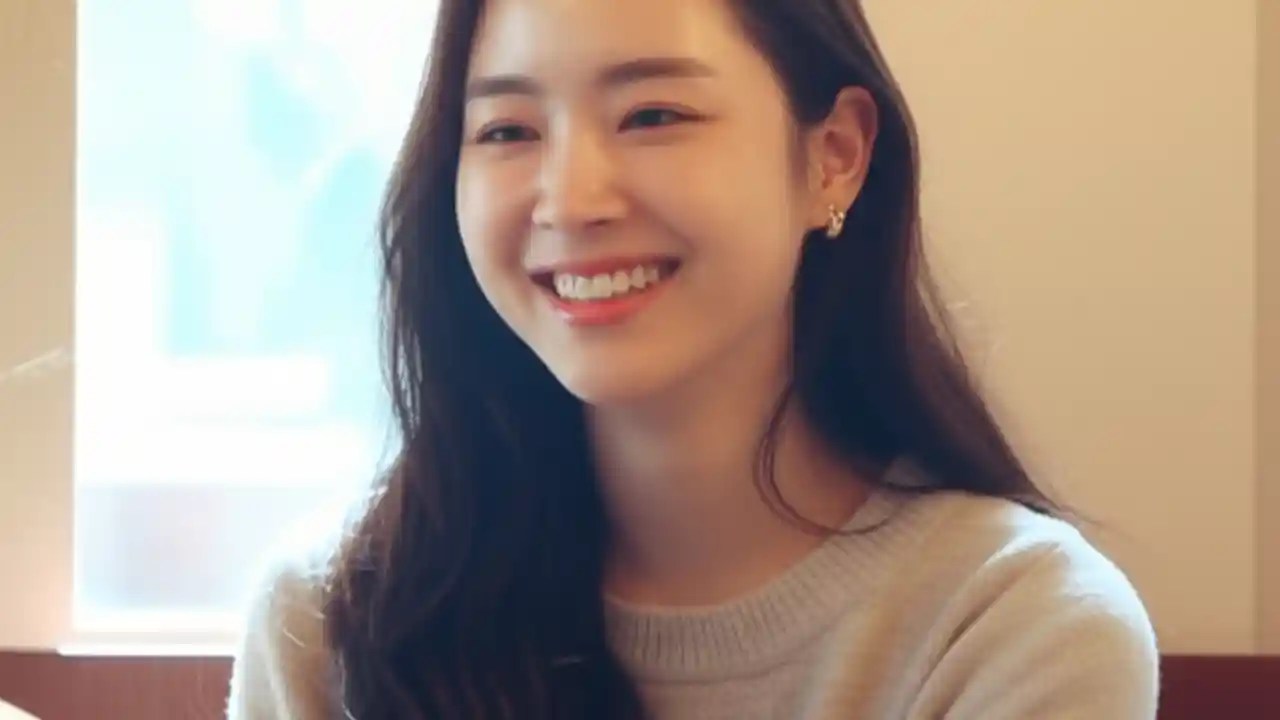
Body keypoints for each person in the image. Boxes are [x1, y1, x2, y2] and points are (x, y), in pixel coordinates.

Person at [226, 0, 1160, 717]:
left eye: (654, 114)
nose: (571, 198)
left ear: (834, 155)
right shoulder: (331, 624)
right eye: (509, 130)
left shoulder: (1012, 629)